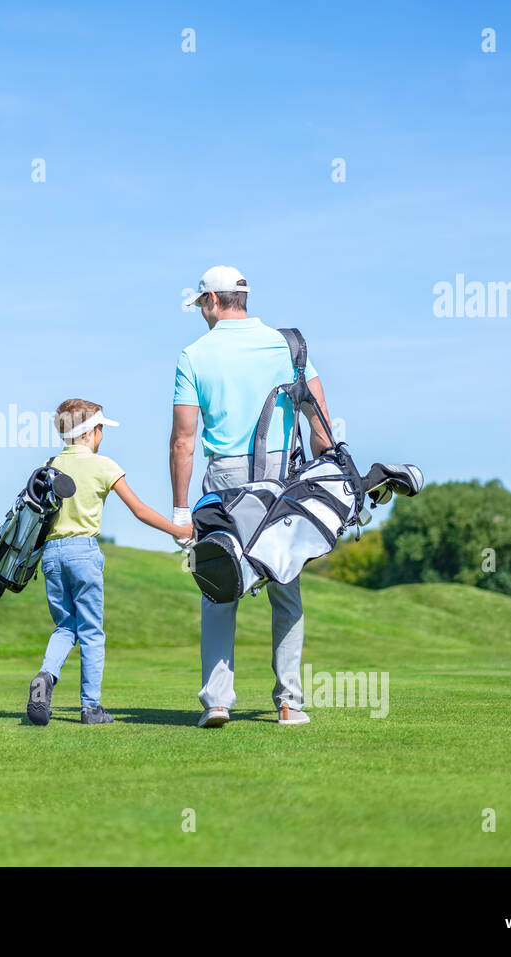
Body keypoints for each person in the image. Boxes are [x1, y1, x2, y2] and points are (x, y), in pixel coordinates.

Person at [170, 266, 333, 729]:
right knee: (286, 586)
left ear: (211, 302)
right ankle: (289, 703)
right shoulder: (287, 345)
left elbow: (183, 440)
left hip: (226, 479)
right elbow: (319, 420)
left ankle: (218, 703)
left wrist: (182, 510)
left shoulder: (194, 354)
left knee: (220, 585)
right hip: (281, 478)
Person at [26, 398, 193, 727]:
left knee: (64, 627)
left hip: (51, 555)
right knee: (91, 632)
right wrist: (179, 530)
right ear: (89, 433)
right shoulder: (103, 466)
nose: (102, 435)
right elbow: (140, 510)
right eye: (101, 429)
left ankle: (46, 674)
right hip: (84, 552)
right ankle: (90, 708)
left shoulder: (49, 464)